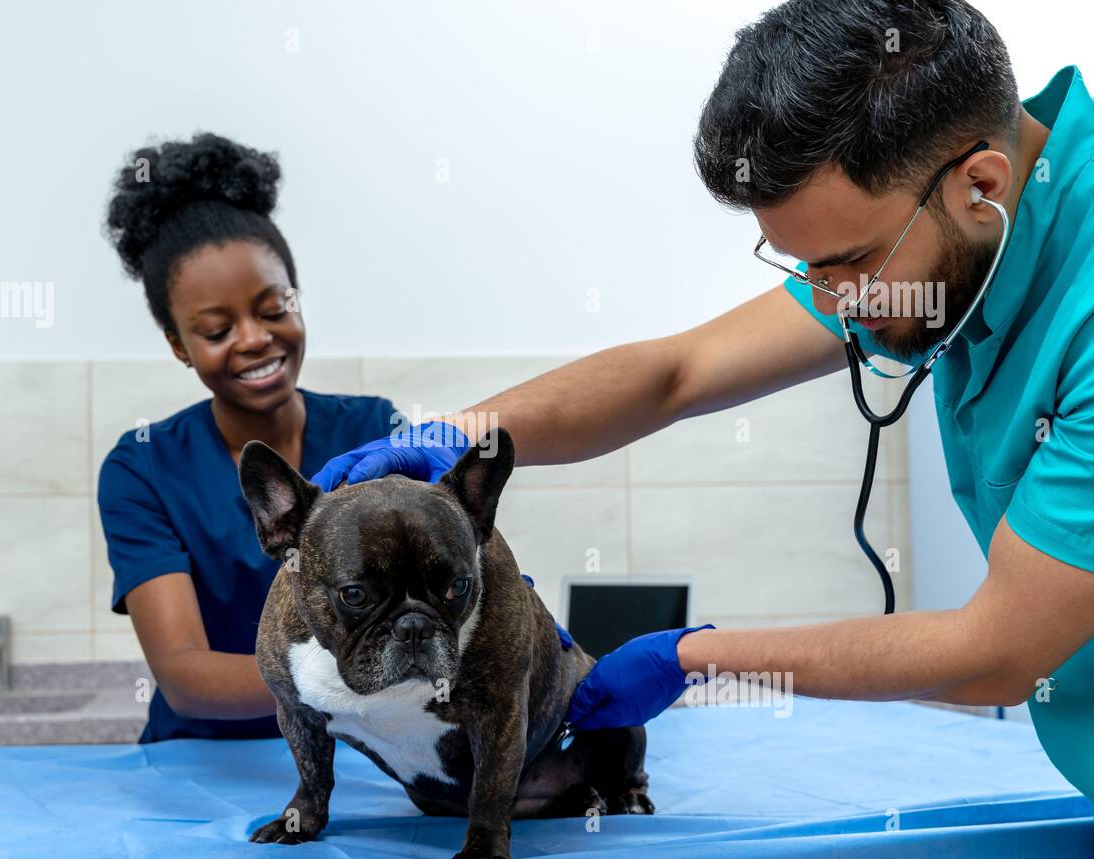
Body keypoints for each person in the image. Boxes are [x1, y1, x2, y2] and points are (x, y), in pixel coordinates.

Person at [311, 0, 1094, 804]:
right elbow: (678, 374)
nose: (836, 304)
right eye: (805, 268)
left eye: (848, 264)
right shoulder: (949, 231)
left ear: (982, 187)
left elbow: (1001, 652)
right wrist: (461, 433)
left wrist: (696, 660)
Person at [97, 133, 399, 742]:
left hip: (364, 757)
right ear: (179, 345)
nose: (255, 338)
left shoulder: (375, 433)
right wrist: (366, 676)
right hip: (202, 769)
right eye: (215, 329)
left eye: (272, 307)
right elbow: (186, 678)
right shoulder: (144, 469)